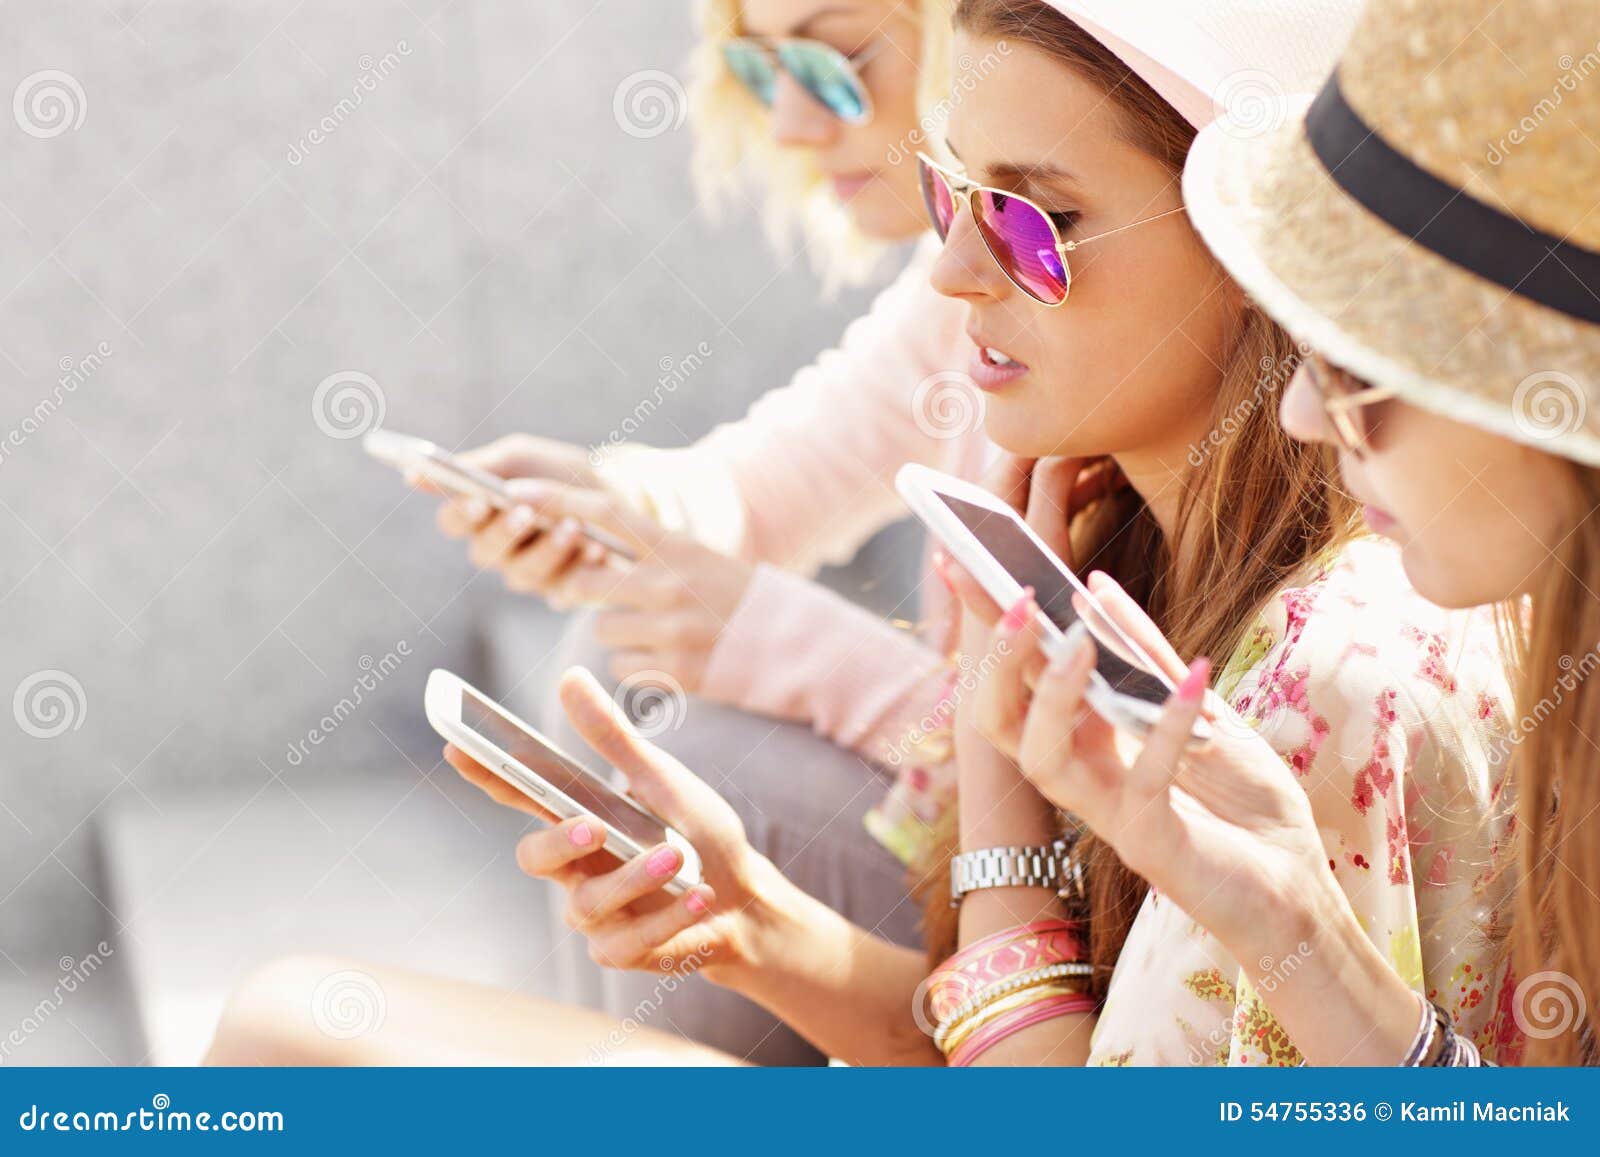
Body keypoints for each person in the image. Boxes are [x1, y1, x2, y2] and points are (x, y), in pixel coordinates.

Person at [205, 0, 1413, 1068]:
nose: (951, 269)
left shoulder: (1315, 677)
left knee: (289, 1034)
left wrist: (980, 743)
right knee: (289, 1023)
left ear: (1249, 240)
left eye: (1035, 219)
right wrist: (748, 921)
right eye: (950, 195)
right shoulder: (1090, 494)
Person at [970, 0, 1596, 1064]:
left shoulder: (1338, 662)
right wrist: (1295, 924)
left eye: (1359, 359)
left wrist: (998, 825)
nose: (1303, 410)